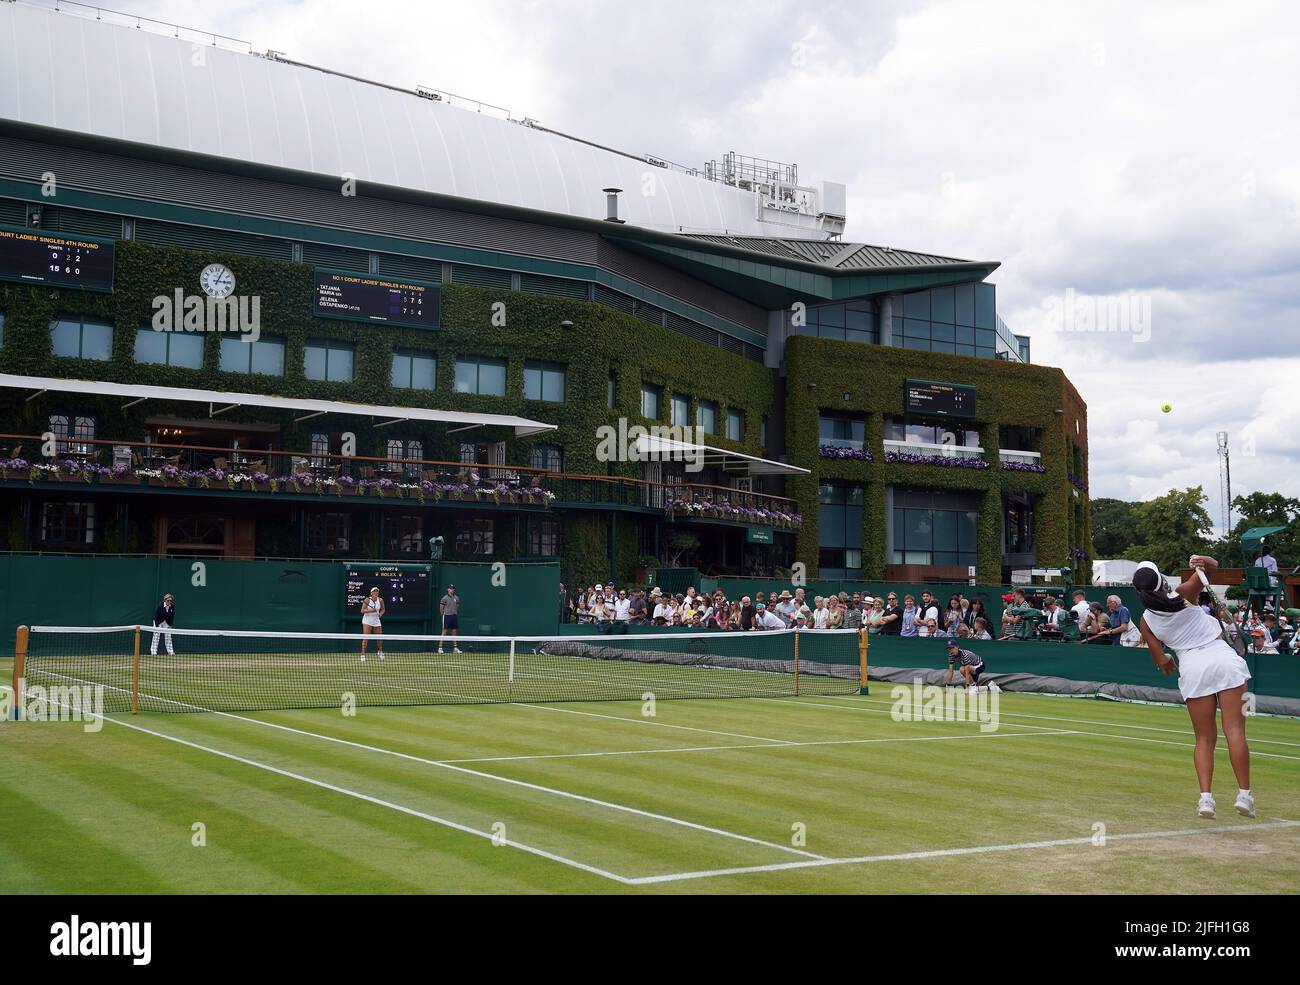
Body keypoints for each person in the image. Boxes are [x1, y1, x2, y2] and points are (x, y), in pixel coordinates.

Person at [1133, 556, 1254, 819]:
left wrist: (1166, 661)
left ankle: (1206, 800)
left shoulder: (1145, 621)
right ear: (1161, 582)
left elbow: (1163, 662)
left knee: (1203, 738)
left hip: (1194, 669)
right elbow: (1212, 568)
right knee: (1235, 731)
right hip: (1224, 661)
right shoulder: (1183, 593)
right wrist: (1203, 559)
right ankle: (1244, 795)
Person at [360, 587, 385, 662]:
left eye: (377, 591)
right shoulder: (367, 600)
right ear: (371, 593)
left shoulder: (380, 600)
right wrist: (372, 610)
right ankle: (363, 655)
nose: (376, 593)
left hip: (376, 621)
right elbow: (362, 610)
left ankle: (380, 652)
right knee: (366, 638)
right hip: (367, 621)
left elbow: (383, 609)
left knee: (379, 638)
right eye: (374, 591)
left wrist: (380, 614)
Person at [150, 592, 176, 656]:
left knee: (168, 636)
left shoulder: (172, 606)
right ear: (165, 600)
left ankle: (170, 652)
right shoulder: (160, 606)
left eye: (170, 600)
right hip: (158, 621)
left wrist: (170, 625)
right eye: (168, 600)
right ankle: (153, 652)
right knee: (156, 636)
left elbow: (172, 617)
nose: (169, 602)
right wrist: (156, 626)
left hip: (166, 622)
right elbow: (156, 616)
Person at [438, 583, 461, 654]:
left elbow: (457, 606)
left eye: (453, 588)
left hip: (454, 616)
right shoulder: (444, 598)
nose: (452, 590)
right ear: (448, 589)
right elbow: (441, 608)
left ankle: (455, 648)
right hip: (447, 616)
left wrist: (454, 612)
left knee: (454, 631)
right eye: (450, 588)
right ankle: (440, 648)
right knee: (444, 631)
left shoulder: (456, 598)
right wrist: (443, 614)